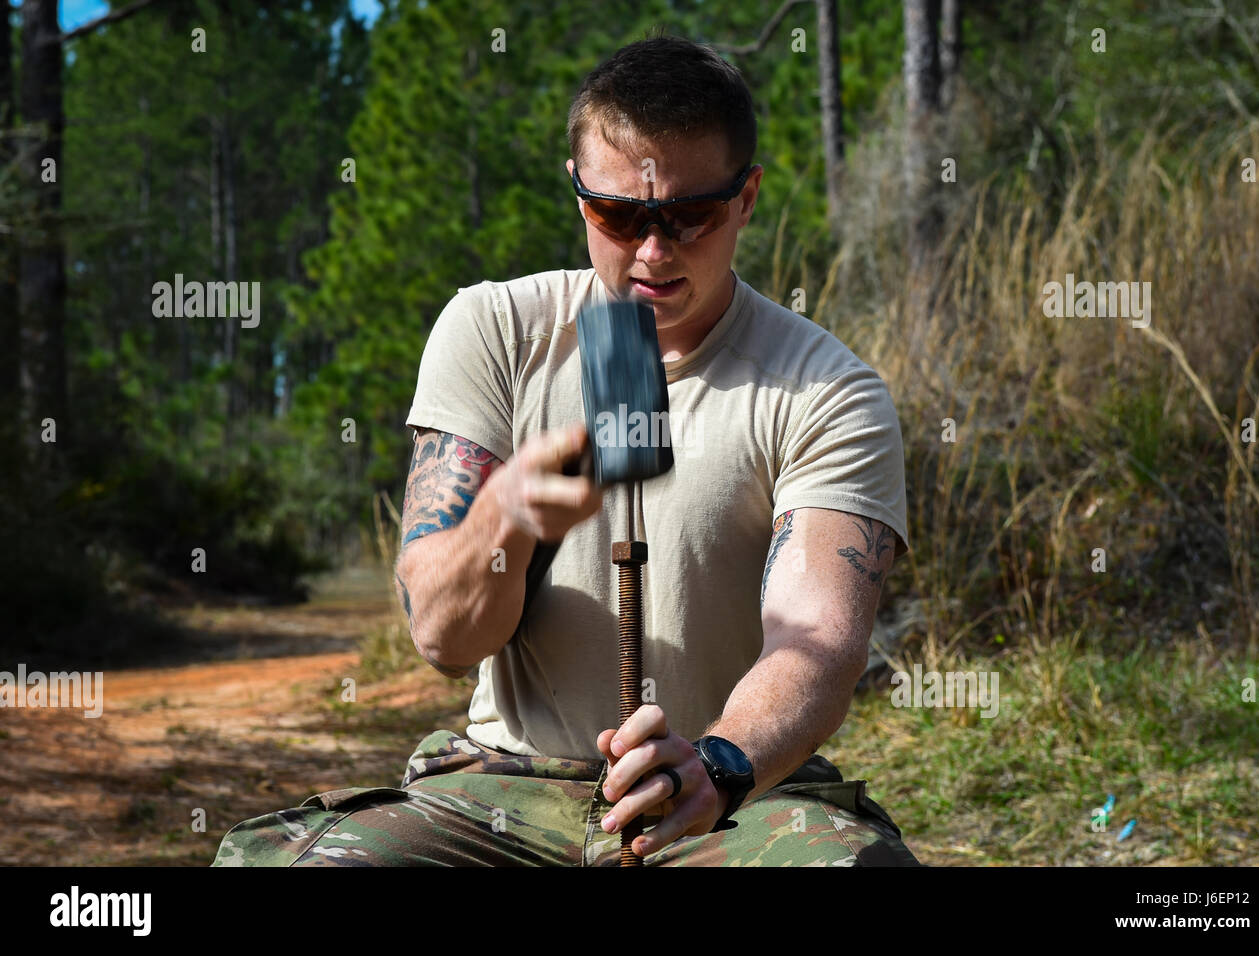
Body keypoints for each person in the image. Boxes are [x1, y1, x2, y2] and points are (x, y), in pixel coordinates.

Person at [212, 34, 920, 867]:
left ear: (747, 197)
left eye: (690, 215)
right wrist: (503, 518)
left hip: (735, 798)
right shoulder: (495, 333)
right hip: (498, 787)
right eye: (620, 215)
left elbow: (818, 645)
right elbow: (443, 637)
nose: (654, 251)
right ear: (579, 196)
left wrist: (717, 766)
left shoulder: (828, 390)